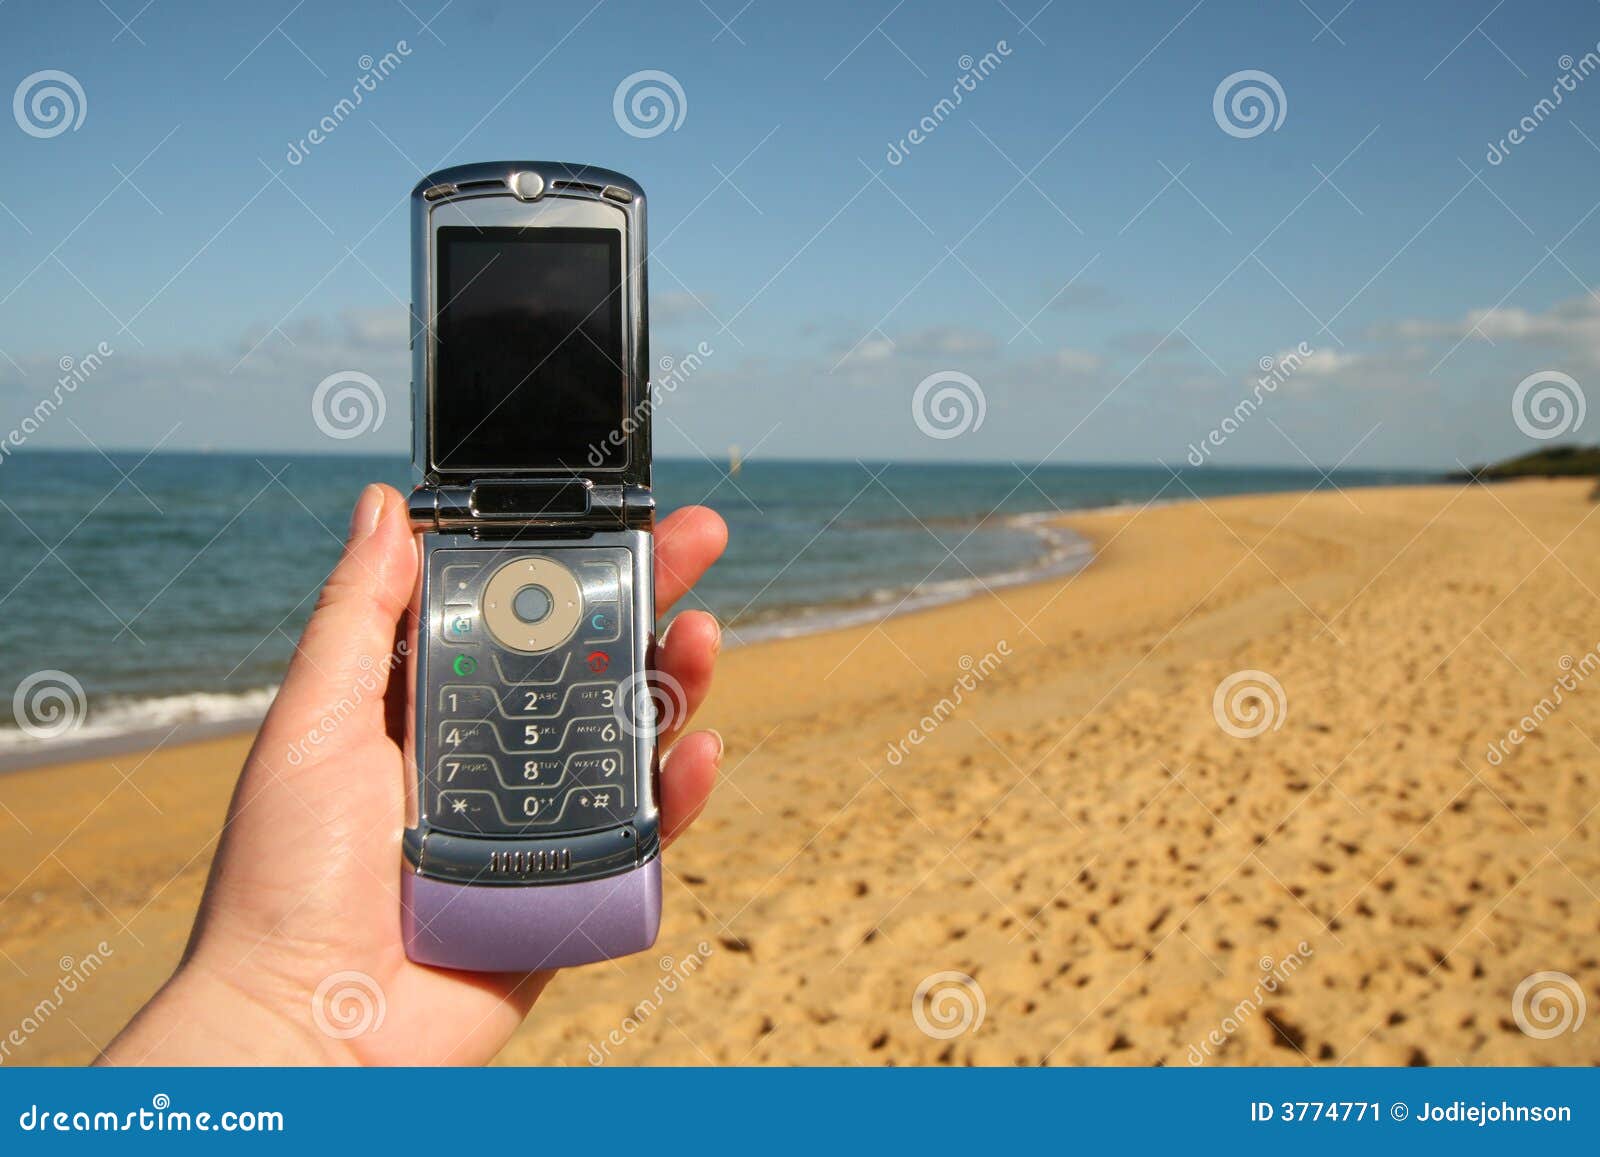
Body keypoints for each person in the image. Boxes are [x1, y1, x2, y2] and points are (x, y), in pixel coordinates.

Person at [98, 483, 728, 1064]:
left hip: (551, 859)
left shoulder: (452, 537)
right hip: (544, 859)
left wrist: (278, 1011)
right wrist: (280, 1005)